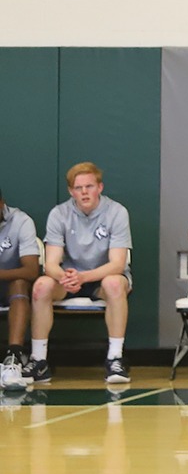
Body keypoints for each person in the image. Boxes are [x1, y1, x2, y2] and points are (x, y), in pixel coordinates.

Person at [28, 162, 134, 383]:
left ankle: (115, 359)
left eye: (89, 186)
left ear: (100, 187)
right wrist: (64, 277)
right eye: (78, 188)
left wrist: (83, 277)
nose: (84, 192)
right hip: (67, 281)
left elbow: (117, 264)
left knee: (115, 283)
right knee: (41, 286)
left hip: (101, 280)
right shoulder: (59, 214)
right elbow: (51, 264)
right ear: (71, 191)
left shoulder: (117, 212)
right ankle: (38, 361)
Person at [0, 190, 43, 391]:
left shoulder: (21, 221)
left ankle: (14, 357)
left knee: (19, 282)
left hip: (13, 289)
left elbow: (31, 270)